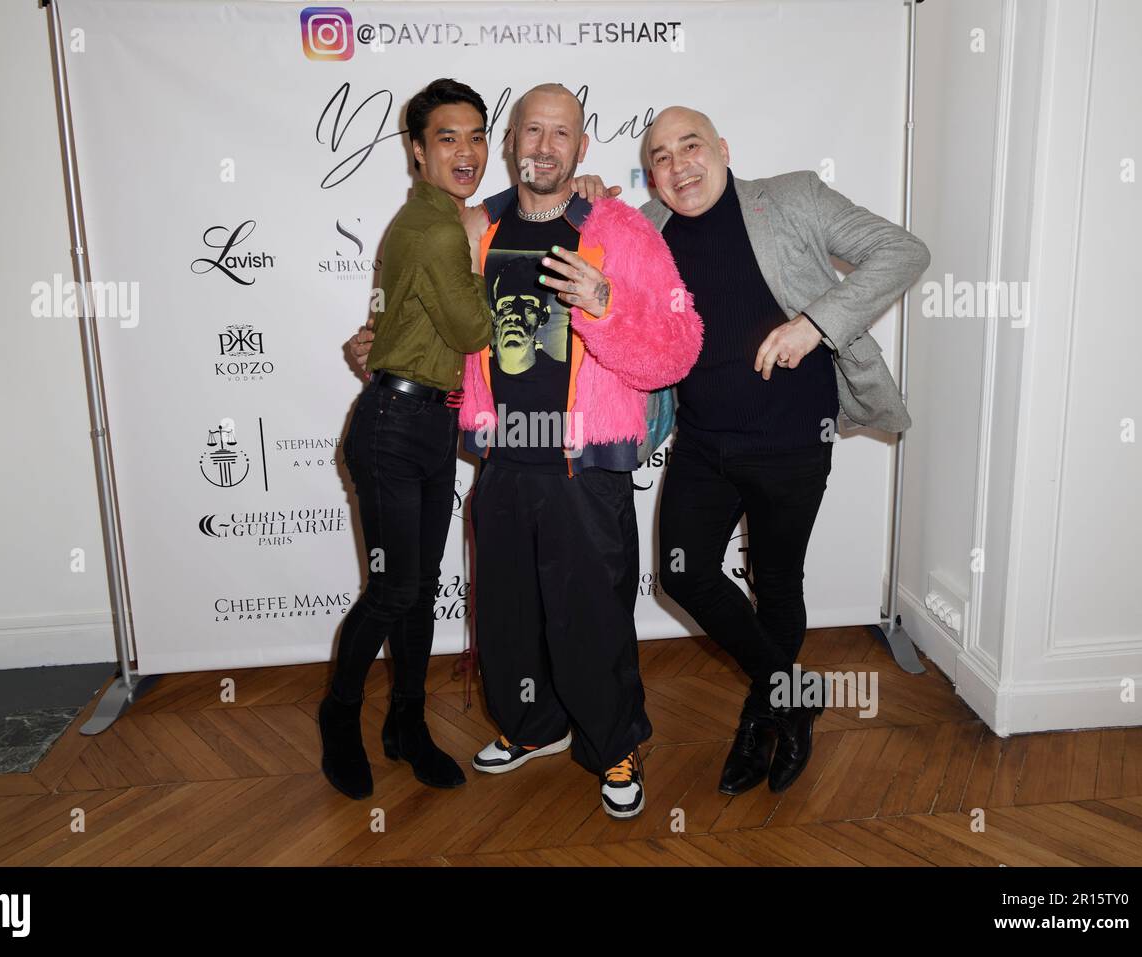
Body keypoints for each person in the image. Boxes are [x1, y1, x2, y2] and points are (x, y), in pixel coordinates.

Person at [357, 83, 703, 819]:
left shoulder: (619, 227)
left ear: (582, 148)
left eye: (561, 134)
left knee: (591, 619)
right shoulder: (477, 227)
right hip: (505, 460)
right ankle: (532, 725)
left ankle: (613, 742)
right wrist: (379, 343)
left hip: (585, 469)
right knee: (507, 616)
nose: (543, 146)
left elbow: (679, 346)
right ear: (511, 143)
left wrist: (607, 306)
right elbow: (423, 288)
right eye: (530, 131)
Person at [641, 106, 930, 796]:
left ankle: (760, 719)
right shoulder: (645, 231)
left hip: (794, 438)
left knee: (776, 583)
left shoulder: (792, 197)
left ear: (723, 149)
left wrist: (816, 322)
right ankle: (794, 691)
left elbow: (904, 251)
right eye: (660, 155)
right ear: (649, 175)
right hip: (704, 439)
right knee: (682, 573)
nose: (679, 164)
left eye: (691, 145)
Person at [318, 78, 494, 801]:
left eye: (478, 135)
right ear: (417, 151)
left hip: (422, 424)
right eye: (447, 137)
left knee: (418, 594)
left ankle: (406, 726)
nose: (467, 150)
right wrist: (496, 267)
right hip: (394, 428)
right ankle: (339, 719)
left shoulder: (444, 220)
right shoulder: (433, 228)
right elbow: (475, 330)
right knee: (394, 591)